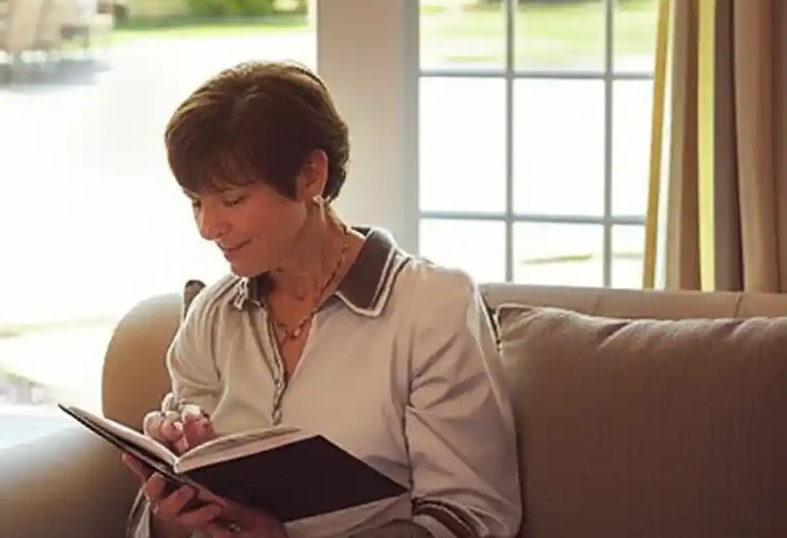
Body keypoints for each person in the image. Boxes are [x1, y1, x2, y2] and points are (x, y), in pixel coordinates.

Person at [121, 61, 522, 538]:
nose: (208, 228)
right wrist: (174, 511)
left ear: (310, 176)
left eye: (231, 200)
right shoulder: (213, 315)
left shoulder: (432, 308)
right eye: (195, 202)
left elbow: (470, 517)